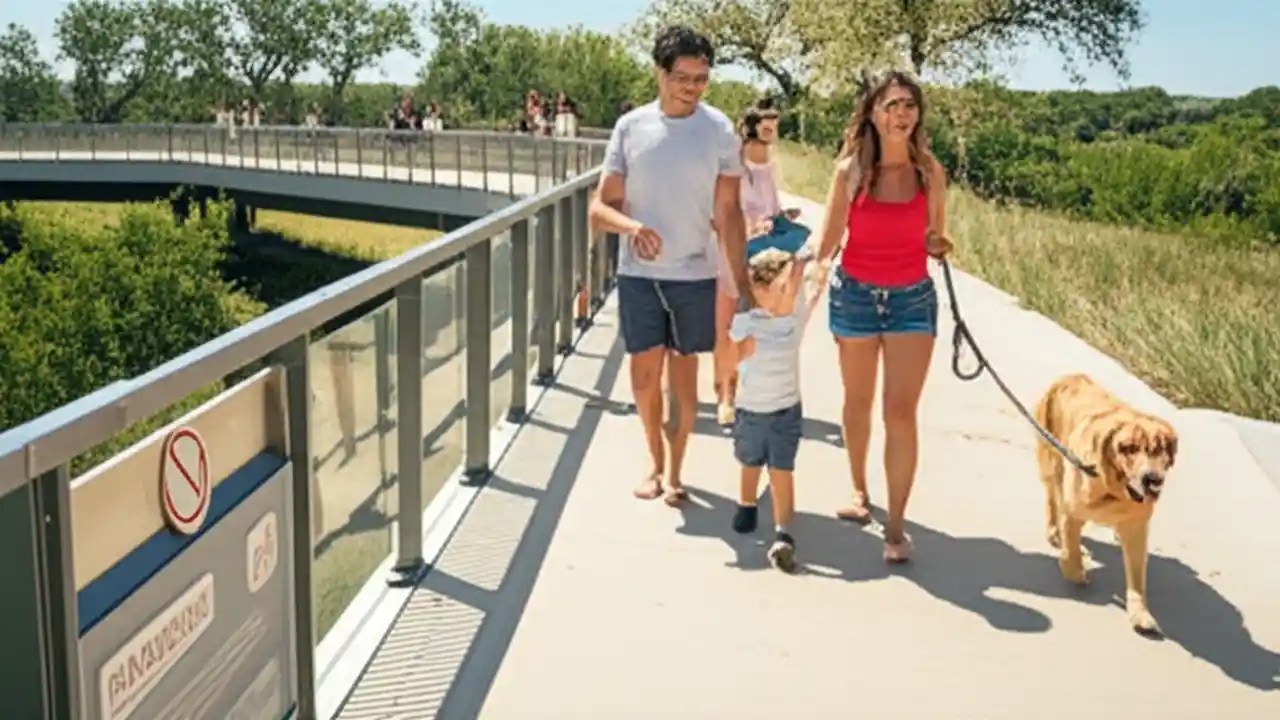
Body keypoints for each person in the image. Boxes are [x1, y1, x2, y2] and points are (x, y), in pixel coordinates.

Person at [588, 25, 750, 506]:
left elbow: (728, 213)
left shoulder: (719, 130)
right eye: (683, 76)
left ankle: (676, 472)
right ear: (661, 73)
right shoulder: (631, 127)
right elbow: (600, 209)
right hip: (639, 277)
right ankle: (654, 462)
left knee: (683, 379)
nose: (692, 87)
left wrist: (742, 282)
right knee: (643, 378)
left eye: (701, 78)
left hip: (694, 276)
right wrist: (633, 228)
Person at [814, 70, 953, 563]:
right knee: (857, 402)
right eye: (892, 105)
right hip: (854, 296)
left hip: (912, 300)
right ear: (873, 112)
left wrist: (938, 243)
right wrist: (799, 274)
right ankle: (858, 491)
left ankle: (895, 525)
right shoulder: (850, 171)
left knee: (900, 412)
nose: (902, 114)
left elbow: (935, 235)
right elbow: (829, 238)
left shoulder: (929, 172)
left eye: (910, 105)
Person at [725, 246, 827, 571]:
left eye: (793, 289)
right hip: (751, 411)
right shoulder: (746, 324)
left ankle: (784, 533)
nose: (792, 294)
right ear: (760, 292)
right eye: (784, 289)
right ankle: (747, 503)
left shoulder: (794, 321)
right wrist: (740, 353)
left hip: (786, 411)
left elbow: (809, 285)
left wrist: (810, 263)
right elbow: (728, 361)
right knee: (750, 463)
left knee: (782, 471)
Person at [713, 104, 807, 426]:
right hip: (731, 254)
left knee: (752, 325)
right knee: (726, 328)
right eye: (768, 127)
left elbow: (772, 208)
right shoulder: (734, 166)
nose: (773, 133)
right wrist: (753, 225)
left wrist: (781, 219)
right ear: (753, 128)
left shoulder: (767, 166)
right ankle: (724, 395)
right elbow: (722, 213)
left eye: (775, 127)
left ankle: (744, 395)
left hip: (762, 258)